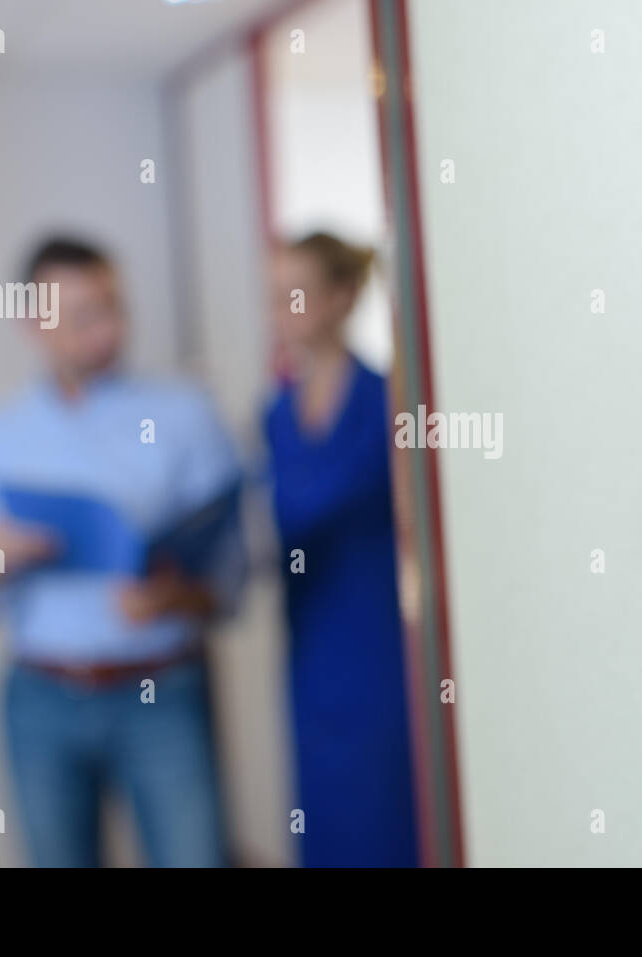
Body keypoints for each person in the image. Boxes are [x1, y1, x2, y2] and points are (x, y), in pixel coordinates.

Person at [0, 237, 243, 867]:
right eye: (80, 317)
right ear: (34, 323)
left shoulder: (185, 414)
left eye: (112, 309)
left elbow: (233, 576)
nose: (104, 332)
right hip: (41, 698)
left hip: (163, 689)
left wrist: (175, 595)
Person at [265, 232, 419, 867]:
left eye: (294, 294)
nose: (279, 309)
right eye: (271, 296)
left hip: (378, 639)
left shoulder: (388, 402)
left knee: (385, 812)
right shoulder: (275, 414)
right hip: (310, 644)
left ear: (342, 297)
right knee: (322, 816)